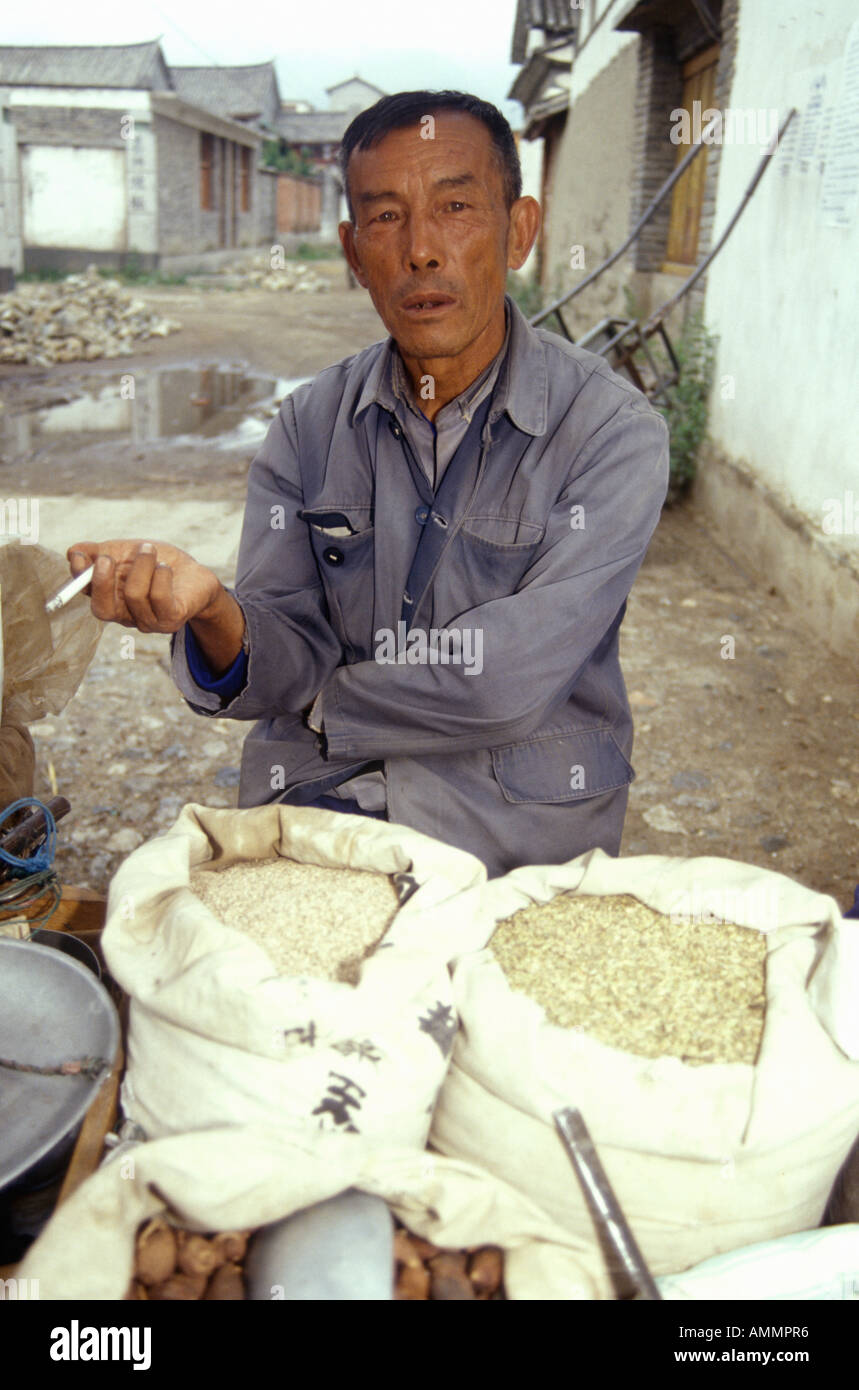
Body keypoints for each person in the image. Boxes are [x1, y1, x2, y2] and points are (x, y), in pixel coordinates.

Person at [67, 90, 669, 878]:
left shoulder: (610, 431)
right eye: (385, 218)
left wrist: (324, 703)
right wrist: (214, 611)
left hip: (512, 838)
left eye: (455, 206)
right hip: (322, 809)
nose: (420, 250)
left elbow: (507, 683)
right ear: (354, 254)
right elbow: (280, 651)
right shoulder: (309, 423)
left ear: (518, 229)